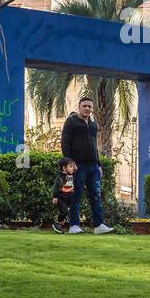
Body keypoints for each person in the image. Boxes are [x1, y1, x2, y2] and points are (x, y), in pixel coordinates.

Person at [61, 96, 111, 234]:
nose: (87, 108)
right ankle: (74, 226)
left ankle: (98, 225)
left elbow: (95, 146)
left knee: (96, 195)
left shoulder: (93, 124)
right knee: (76, 196)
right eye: (85, 106)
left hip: (93, 167)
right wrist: (70, 164)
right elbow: (65, 143)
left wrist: (99, 165)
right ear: (79, 106)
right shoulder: (72, 122)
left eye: (90, 106)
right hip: (78, 166)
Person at [51, 157, 77, 234]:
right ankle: (58, 224)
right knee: (64, 212)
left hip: (69, 198)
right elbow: (56, 187)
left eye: (72, 166)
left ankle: (60, 225)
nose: (73, 168)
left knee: (69, 213)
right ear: (64, 168)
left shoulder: (71, 175)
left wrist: (74, 166)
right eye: (70, 166)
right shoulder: (60, 177)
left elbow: (76, 170)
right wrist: (55, 197)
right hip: (61, 198)